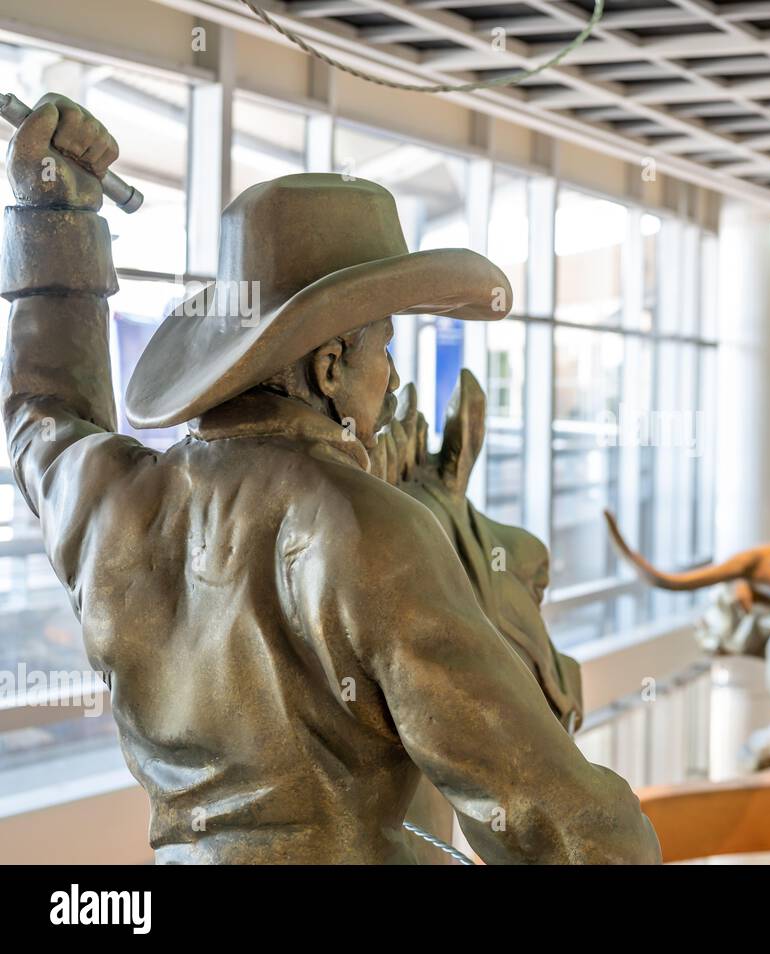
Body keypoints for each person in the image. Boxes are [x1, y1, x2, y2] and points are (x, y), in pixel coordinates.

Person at [0, 93, 660, 864]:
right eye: (382, 344)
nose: (394, 370)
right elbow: (547, 813)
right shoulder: (366, 523)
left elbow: (41, 416)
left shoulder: (110, 498)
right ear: (331, 365)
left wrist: (58, 219)